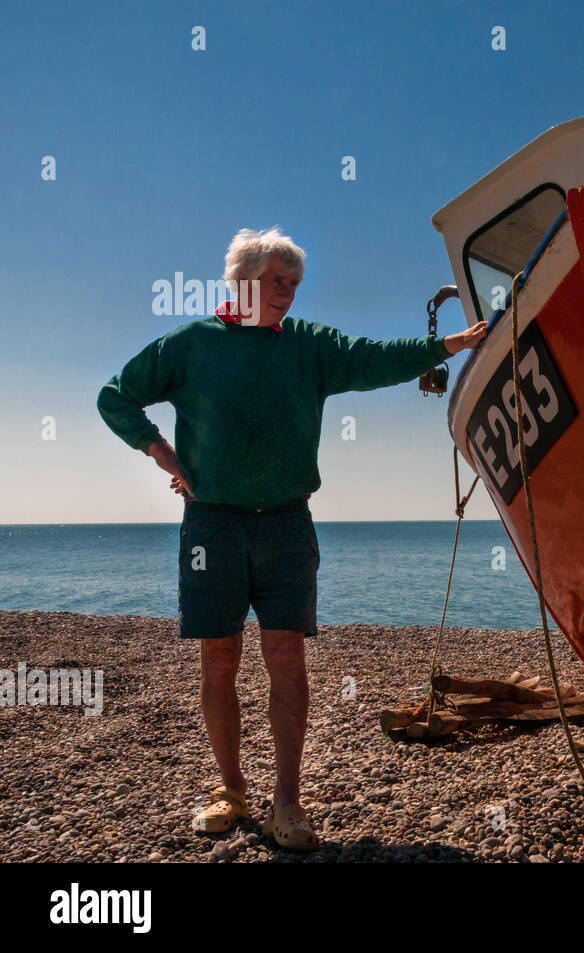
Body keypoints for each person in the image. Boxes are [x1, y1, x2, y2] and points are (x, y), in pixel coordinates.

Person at [96, 226, 487, 850]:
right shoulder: (192, 344)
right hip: (213, 526)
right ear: (244, 280)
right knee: (218, 660)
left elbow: (373, 357)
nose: (288, 293)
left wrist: (447, 345)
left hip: (286, 522)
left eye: (295, 284)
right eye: (278, 281)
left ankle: (287, 802)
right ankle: (230, 788)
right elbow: (115, 396)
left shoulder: (309, 346)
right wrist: (164, 455)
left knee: (286, 658)